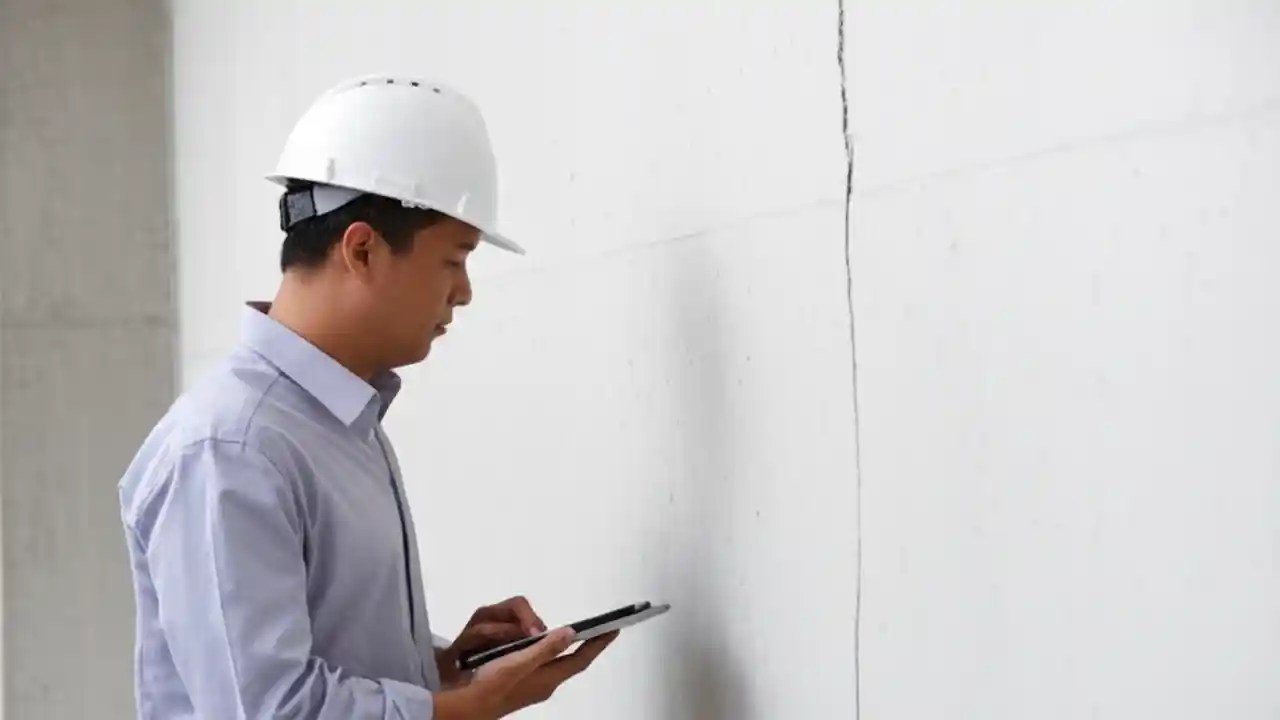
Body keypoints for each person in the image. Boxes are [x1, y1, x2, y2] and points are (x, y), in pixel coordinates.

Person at [118, 75, 617, 719]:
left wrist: (438, 666)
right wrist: (463, 710)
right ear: (362, 249)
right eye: (454, 259)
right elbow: (267, 710)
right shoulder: (230, 448)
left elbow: (305, 663)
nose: (464, 292)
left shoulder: (336, 424)